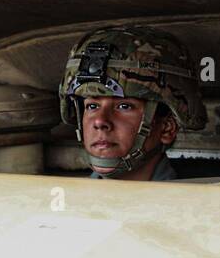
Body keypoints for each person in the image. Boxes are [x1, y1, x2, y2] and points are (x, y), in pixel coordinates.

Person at [59, 25, 207, 181]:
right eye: (92, 106)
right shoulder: (65, 200)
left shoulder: (193, 203)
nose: (100, 121)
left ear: (166, 129)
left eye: (124, 106)